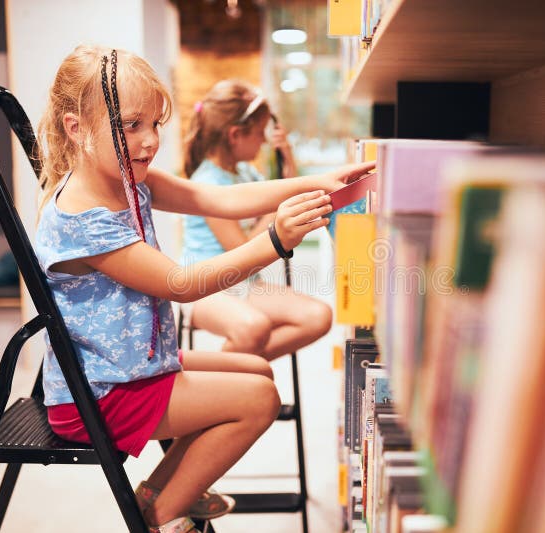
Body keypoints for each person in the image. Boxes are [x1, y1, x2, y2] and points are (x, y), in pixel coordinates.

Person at [33, 45, 374, 533]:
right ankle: (163, 516)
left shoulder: (129, 178)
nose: (150, 141)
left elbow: (218, 197)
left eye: (155, 124)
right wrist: (276, 239)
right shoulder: (83, 220)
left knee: (256, 368)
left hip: (129, 367)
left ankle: (157, 493)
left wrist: (317, 181)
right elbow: (181, 283)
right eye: (132, 125)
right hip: (100, 394)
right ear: (75, 127)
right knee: (259, 401)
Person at [181, 79, 332, 360]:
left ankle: (238, 371)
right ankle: (221, 387)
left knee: (318, 317)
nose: (264, 140)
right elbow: (241, 250)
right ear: (235, 135)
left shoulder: (243, 173)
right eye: (260, 133)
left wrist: (286, 154)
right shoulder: (208, 183)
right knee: (252, 329)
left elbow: (288, 194)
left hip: (244, 284)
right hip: (204, 288)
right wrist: (277, 216)